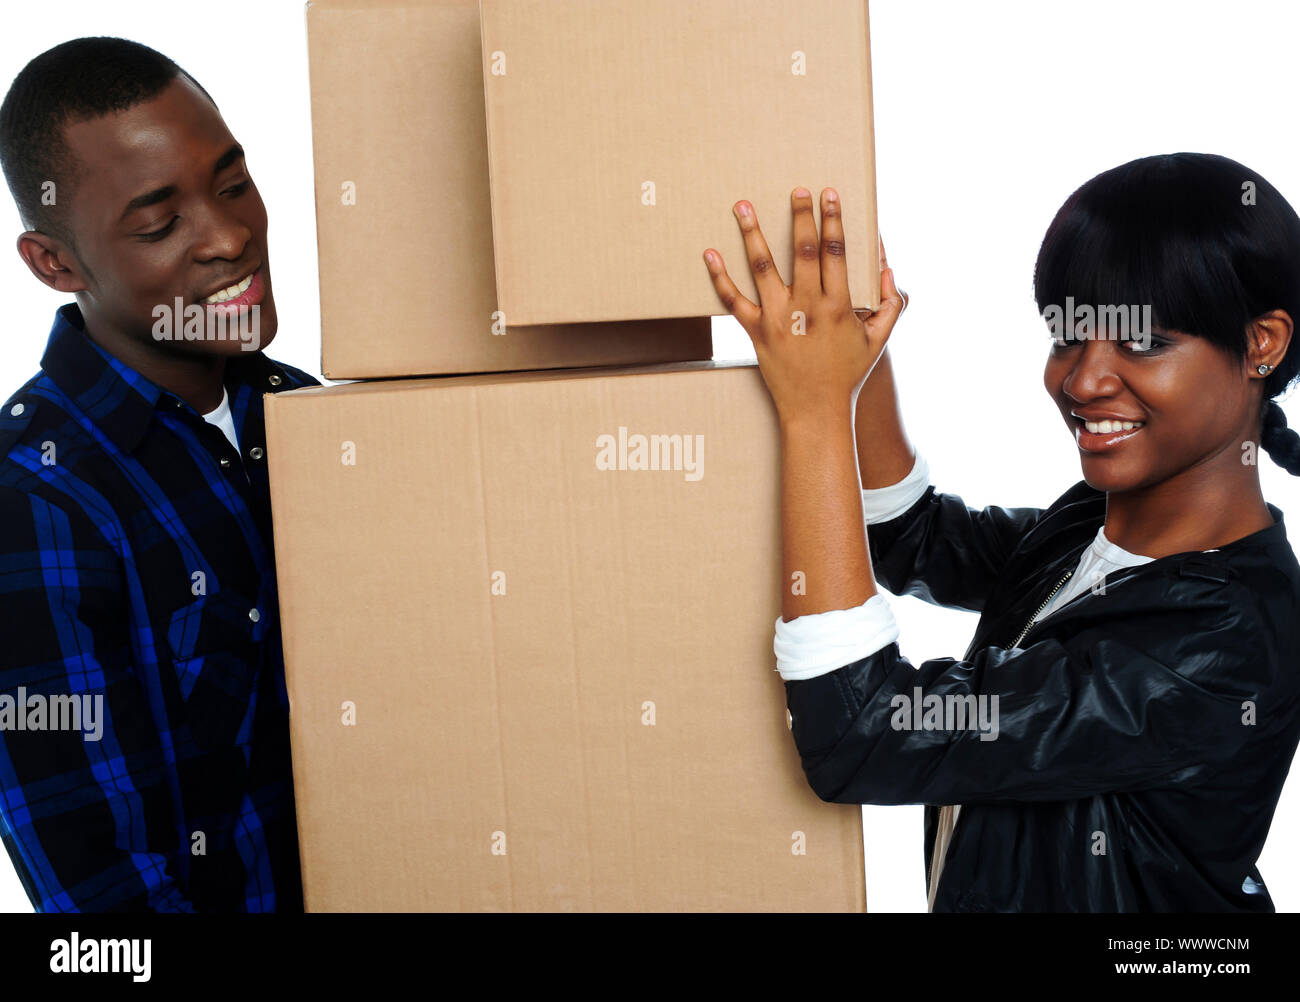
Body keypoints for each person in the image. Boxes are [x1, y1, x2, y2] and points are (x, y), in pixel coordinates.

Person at [702, 154, 1300, 911]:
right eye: (1067, 337)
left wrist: (815, 410)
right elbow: (915, 541)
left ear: (1261, 344)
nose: (1082, 382)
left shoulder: (1223, 644)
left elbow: (864, 733)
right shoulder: (1095, 519)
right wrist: (855, 351)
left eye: (1142, 343)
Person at [0, 37, 316, 911]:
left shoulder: (308, 417)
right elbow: (104, 903)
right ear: (55, 264)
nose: (231, 236)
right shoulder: (35, 502)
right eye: (158, 223)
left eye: (232, 183)